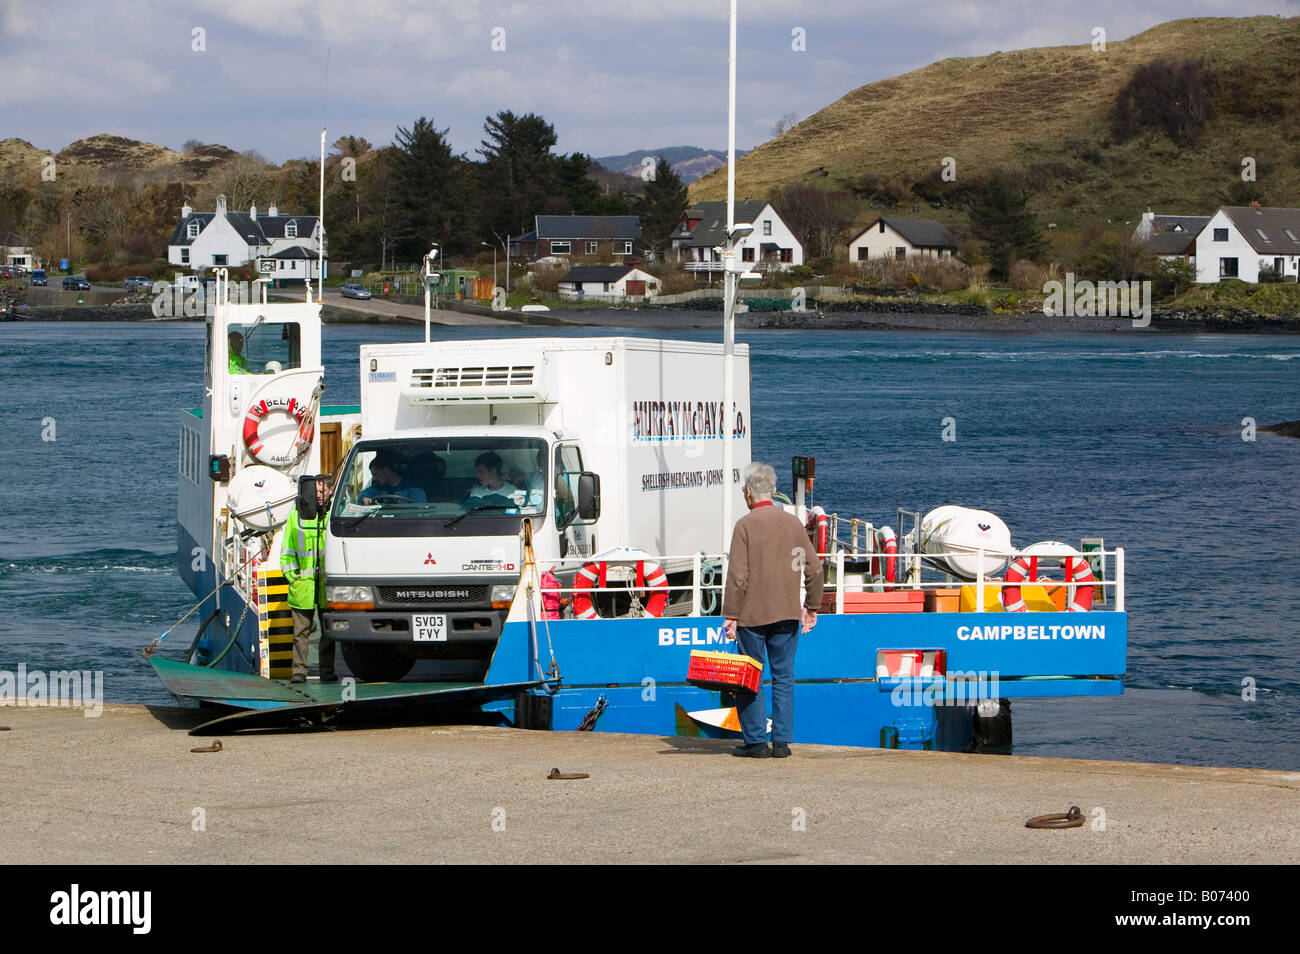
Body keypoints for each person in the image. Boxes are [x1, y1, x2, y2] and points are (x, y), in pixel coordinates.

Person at [722, 461, 823, 758]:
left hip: (752, 617)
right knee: (783, 676)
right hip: (786, 615)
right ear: (775, 492)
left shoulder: (745, 526)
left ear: (750, 493)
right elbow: (814, 569)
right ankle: (782, 743)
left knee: (750, 677)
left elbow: (738, 577)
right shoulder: (792, 524)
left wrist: (730, 615)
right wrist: (812, 607)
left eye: (744, 491)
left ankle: (755, 742)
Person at [282, 474, 337, 684]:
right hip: (303, 586)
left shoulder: (334, 514)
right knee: (300, 632)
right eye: (316, 492)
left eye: (323, 492)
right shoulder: (296, 515)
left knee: (329, 633)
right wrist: (292, 577)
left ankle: (327, 671)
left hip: (326, 586)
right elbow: (287, 551)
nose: (319, 496)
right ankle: (299, 671)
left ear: (331, 491)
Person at [359, 451, 427, 504]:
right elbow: (362, 495)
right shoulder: (379, 487)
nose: (374, 478)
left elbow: (420, 509)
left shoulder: (412, 487)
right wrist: (364, 498)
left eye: (375, 474)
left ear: (386, 470)